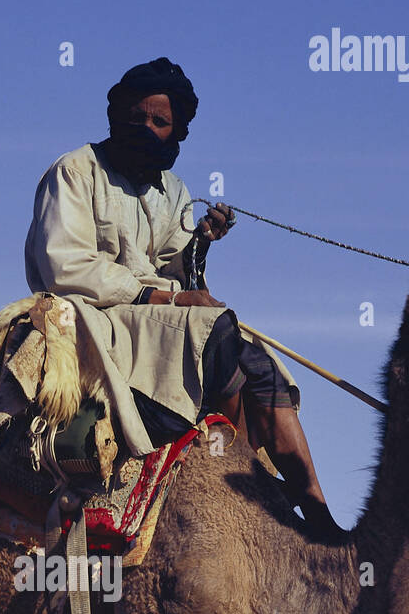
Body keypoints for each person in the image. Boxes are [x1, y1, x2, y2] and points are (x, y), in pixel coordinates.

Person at [24, 57, 337, 534]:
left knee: (257, 360)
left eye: (160, 122)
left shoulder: (172, 191)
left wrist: (201, 243)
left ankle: (311, 505)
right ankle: (237, 477)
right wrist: (158, 298)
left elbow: (178, 270)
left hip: (155, 319)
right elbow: (63, 265)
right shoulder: (74, 171)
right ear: (117, 117)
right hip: (93, 317)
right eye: (137, 117)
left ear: (176, 132)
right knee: (216, 333)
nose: (146, 128)